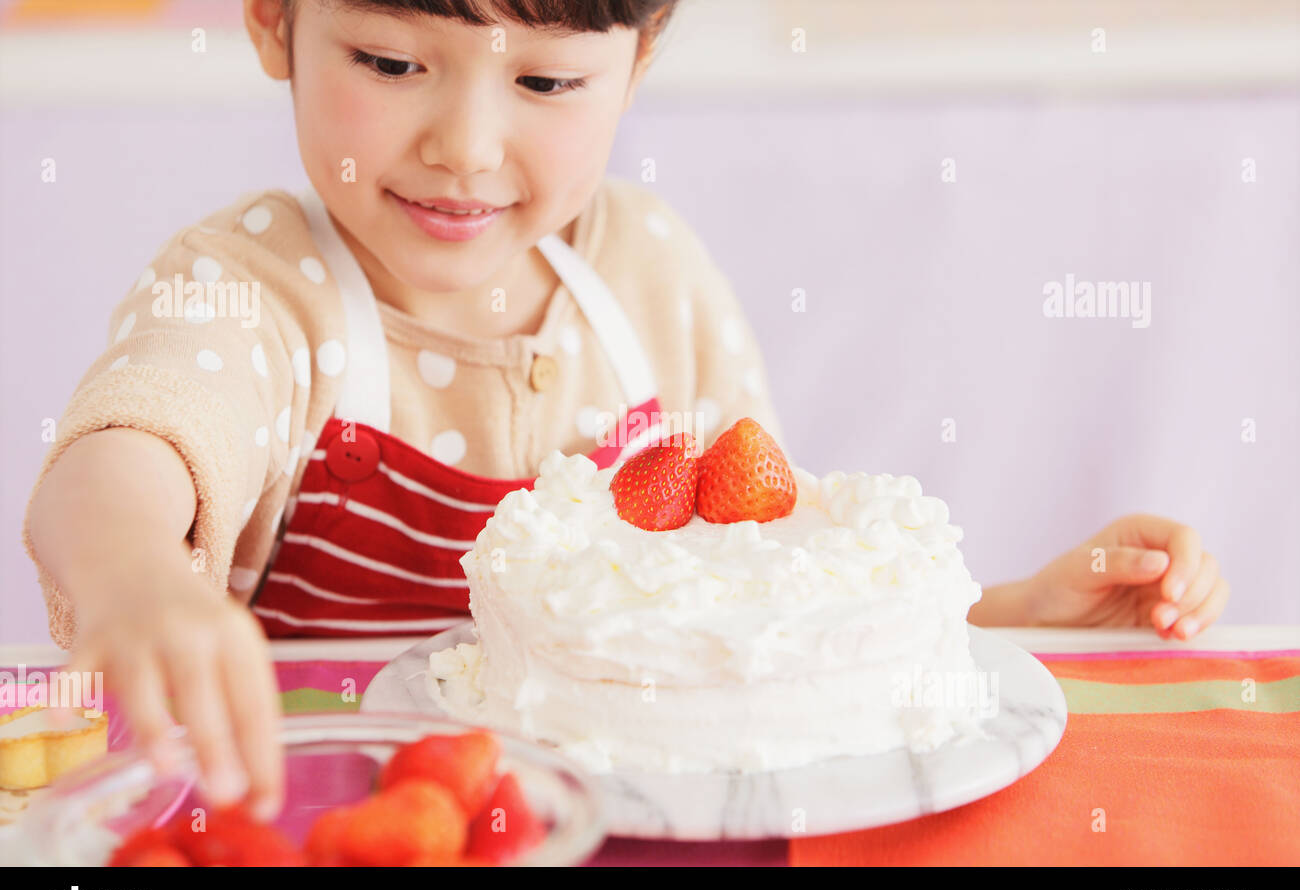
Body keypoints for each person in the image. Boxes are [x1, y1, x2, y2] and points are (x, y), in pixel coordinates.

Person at [22, 0, 1229, 823]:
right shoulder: (253, 288)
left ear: (641, 59)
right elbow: (126, 455)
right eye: (392, 63)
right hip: (325, 826)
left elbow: (771, 615)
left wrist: (1006, 614)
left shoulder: (652, 279)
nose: (465, 144)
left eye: (546, 80)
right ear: (276, 20)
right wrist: (135, 579)